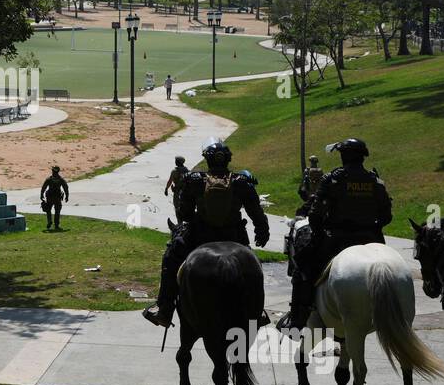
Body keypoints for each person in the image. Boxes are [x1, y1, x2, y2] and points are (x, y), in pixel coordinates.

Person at [143, 139, 269, 327]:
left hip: (200, 236)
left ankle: (164, 309)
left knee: (170, 256)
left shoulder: (194, 180)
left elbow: (184, 214)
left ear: (207, 160)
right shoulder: (242, 181)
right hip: (234, 236)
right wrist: (262, 232)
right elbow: (257, 214)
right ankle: (257, 313)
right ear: (227, 160)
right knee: (254, 267)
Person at [283, 138, 392, 332]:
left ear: (344, 156)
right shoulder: (375, 180)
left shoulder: (333, 179)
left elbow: (315, 215)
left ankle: (298, 316)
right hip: (372, 239)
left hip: (336, 239)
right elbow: (387, 216)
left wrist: (320, 229)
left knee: (303, 265)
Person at [40, 165, 70, 230]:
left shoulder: (49, 179)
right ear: (58, 172)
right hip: (57, 197)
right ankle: (56, 225)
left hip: (50, 197)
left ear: (52, 171)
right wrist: (67, 196)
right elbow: (66, 187)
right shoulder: (60, 179)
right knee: (57, 211)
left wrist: (41, 194)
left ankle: (49, 221)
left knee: (48, 210)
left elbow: (44, 187)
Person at [164, 155, 189, 223]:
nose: (175, 162)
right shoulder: (187, 170)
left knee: (177, 209)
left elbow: (170, 181)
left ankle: (179, 224)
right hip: (186, 193)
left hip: (177, 193)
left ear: (178, 162)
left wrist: (166, 189)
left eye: (176, 161)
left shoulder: (174, 171)